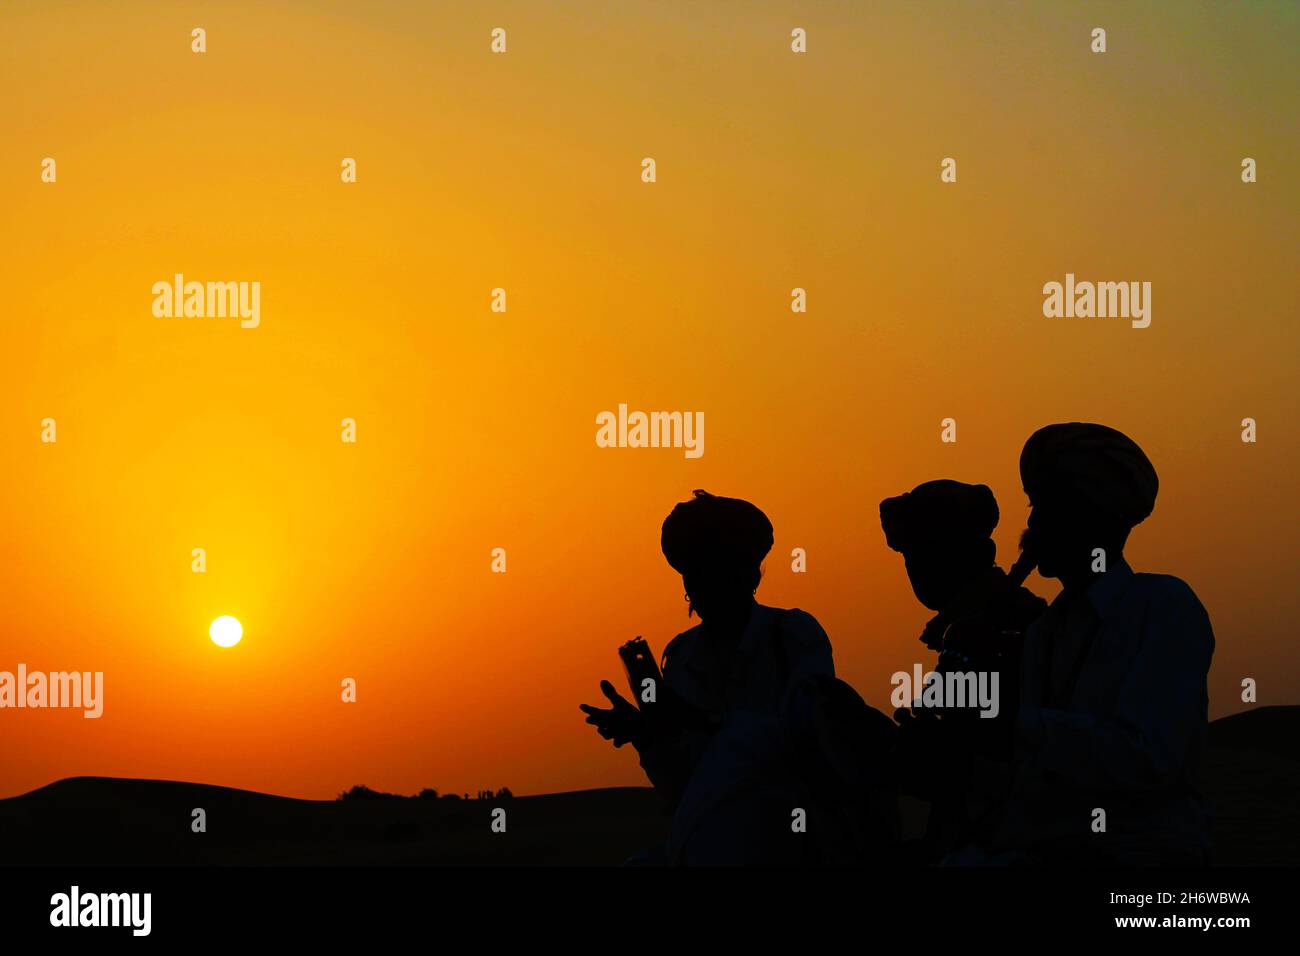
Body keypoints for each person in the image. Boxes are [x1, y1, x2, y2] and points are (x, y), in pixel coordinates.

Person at [984, 422, 1215, 865]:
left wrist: (1013, 725)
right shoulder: (1044, 630)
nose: (1032, 523)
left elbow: (1146, 758)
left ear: (1092, 517)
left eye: (1047, 506)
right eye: (1033, 505)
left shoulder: (1163, 606)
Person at [580, 490, 842, 863]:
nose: (700, 586)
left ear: (749, 573)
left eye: (714, 570)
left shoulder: (793, 636)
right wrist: (647, 738)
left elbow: (810, 742)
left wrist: (699, 720)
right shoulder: (682, 657)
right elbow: (684, 787)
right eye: (693, 574)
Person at [880, 479, 1047, 859]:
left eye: (921, 554)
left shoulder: (1010, 626)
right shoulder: (972, 626)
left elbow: (989, 759)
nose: (914, 570)